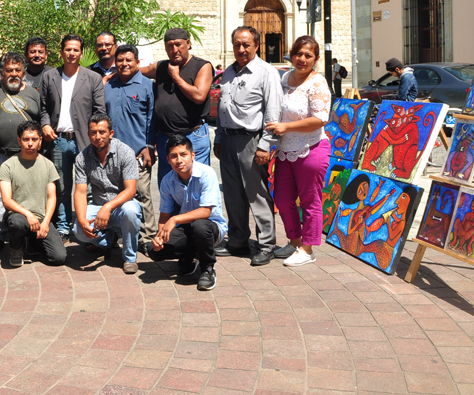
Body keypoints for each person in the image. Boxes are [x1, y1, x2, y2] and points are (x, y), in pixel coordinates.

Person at [213, 26, 287, 266]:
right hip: (228, 139)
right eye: (237, 44)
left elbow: (273, 112)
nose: (241, 49)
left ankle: (266, 244)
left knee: (256, 194)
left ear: (257, 46)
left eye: (246, 44)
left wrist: (266, 146)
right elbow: (223, 108)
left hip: (252, 140)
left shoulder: (267, 72)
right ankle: (238, 240)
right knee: (233, 194)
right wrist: (219, 139)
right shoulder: (228, 73)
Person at [267, 35, 332, 267]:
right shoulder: (285, 77)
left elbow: (320, 119)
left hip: (311, 148)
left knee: (310, 200)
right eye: (299, 54)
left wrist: (286, 127)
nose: (302, 59)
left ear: (315, 59)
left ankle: (308, 248)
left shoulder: (317, 83)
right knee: (283, 199)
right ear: (292, 54)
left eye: (308, 55)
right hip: (285, 150)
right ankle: (294, 242)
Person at [0, 52, 42, 250]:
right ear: (1, 72)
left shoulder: (33, 94)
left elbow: (40, 122)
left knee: (26, 195)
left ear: (23, 72)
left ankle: (24, 234)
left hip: (26, 155)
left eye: (17, 70)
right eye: (9, 70)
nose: (13, 74)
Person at [39, 34, 106, 240]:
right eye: (68, 49)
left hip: (85, 141)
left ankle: (87, 225)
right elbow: (43, 108)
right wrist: (45, 124)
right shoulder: (50, 76)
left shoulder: (92, 78)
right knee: (61, 187)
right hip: (58, 140)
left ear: (81, 52)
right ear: (61, 52)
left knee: (88, 185)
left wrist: (96, 138)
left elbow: (100, 110)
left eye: (76, 50)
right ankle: (63, 227)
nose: (72, 53)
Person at [148, 134, 228, 290]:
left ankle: (207, 268)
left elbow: (205, 212)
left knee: (200, 226)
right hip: (187, 228)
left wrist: (175, 219)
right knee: (153, 251)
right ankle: (191, 255)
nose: (179, 160)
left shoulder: (206, 173)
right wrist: (159, 238)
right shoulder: (167, 180)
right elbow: (164, 216)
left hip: (211, 229)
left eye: (183, 154)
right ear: (167, 159)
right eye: (174, 156)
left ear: (192, 155)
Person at [141, 28, 214, 185]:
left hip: (193, 136)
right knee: (168, 185)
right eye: (170, 46)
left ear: (188, 43)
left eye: (178, 44)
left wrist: (175, 76)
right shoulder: (161, 67)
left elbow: (199, 96)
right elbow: (135, 71)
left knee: (196, 184)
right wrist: (110, 76)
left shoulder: (202, 66)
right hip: (165, 139)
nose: (174, 50)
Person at [72, 113, 142, 274]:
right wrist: (82, 220)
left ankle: (130, 258)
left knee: (131, 211)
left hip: (123, 204)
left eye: (102, 132)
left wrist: (108, 207)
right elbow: (80, 192)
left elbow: (131, 189)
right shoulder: (82, 158)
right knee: (78, 230)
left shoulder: (125, 152)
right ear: (88, 134)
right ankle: (108, 240)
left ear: (111, 133)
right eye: (93, 132)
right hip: (98, 205)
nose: (98, 136)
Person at [104, 44, 157, 252]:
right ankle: (118, 233)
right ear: (115, 62)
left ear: (137, 62)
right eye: (120, 60)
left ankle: (147, 237)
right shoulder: (108, 85)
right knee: (114, 194)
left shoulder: (147, 85)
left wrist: (149, 146)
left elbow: (153, 118)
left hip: (138, 152)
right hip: (111, 153)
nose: (124, 64)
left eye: (129, 60)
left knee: (142, 193)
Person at [0, 121, 66, 267]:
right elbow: (6, 200)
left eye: (34, 139)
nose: (30, 143)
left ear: (40, 140)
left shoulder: (48, 165)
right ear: (19, 141)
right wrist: (28, 214)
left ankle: (32, 242)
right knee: (17, 223)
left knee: (59, 258)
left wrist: (46, 223)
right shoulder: (8, 166)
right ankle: (16, 248)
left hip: (41, 218)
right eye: (26, 139)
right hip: (18, 216)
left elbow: (51, 197)